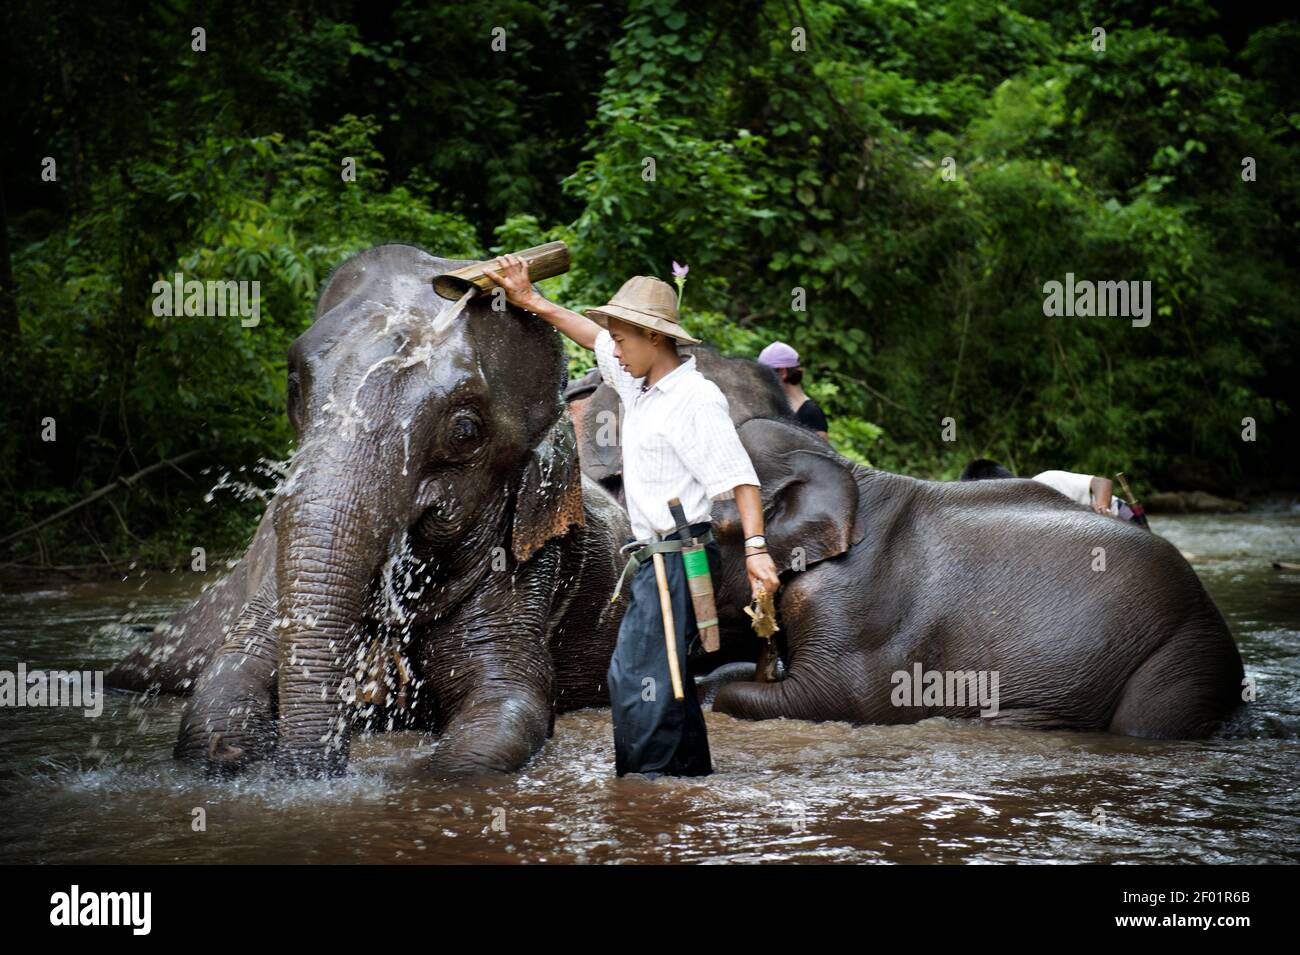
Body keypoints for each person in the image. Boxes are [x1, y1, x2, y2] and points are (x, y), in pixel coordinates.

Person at [484, 254, 782, 779]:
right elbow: (587, 336)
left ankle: (647, 791)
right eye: (614, 340)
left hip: (678, 557)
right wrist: (530, 299)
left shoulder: (694, 398)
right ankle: (687, 782)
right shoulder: (636, 386)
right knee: (667, 677)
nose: (613, 350)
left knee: (634, 677)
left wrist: (756, 548)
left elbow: (742, 480)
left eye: (622, 339)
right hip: (652, 561)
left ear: (655, 338)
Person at [757, 341, 829, 441]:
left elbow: (822, 455)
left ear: (782, 372)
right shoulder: (770, 406)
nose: (761, 380)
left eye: (764, 374)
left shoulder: (811, 413)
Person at [1030, 469, 1139, 521]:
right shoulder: (1030, 510)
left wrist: (1103, 508)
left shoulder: (1047, 479)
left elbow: (1102, 482)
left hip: (1121, 511)